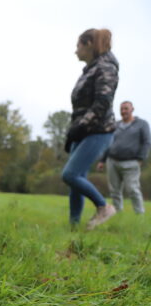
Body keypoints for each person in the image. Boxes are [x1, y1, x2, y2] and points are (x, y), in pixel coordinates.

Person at [61, 28, 119, 230]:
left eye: (78, 46)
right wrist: (74, 131)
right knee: (77, 179)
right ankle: (74, 226)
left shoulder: (105, 67)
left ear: (88, 45)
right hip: (83, 130)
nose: (75, 51)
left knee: (70, 174)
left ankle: (104, 207)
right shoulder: (91, 69)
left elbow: (102, 103)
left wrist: (81, 126)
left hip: (99, 130)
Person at [97, 101, 150, 213]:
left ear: (132, 109)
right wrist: (102, 160)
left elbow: (146, 142)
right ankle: (118, 213)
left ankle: (140, 214)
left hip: (131, 162)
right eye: (121, 109)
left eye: (126, 108)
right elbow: (108, 143)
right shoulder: (115, 125)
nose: (123, 111)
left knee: (132, 189)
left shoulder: (142, 124)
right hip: (112, 161)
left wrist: (141, 158)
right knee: (114, 191)